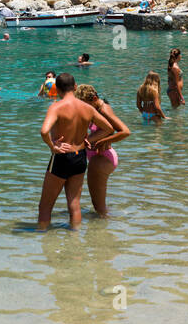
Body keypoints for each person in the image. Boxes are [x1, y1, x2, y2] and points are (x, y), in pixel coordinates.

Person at [37, 73, 113, 231]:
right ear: (76, 86)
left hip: (62, 157)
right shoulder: (87, 108)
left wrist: (53, 146)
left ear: (57, 89)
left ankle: (41, 236)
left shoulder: (56, 107)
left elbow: (44, 131)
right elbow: (109, 128)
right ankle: (75, 240)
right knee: (74, 204)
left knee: (45, 206)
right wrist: (89, 141)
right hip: (80, 158)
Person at [75, 84, 130, 218]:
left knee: (100, 210)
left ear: (94, 98)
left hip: (102, 158)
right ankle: (104, 229)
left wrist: (103, 141)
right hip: (98, 158)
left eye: (85, 105)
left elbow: (125, 131)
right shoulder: (97, 109)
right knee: (98, 207)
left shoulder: (104, 110)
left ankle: (104, 231)